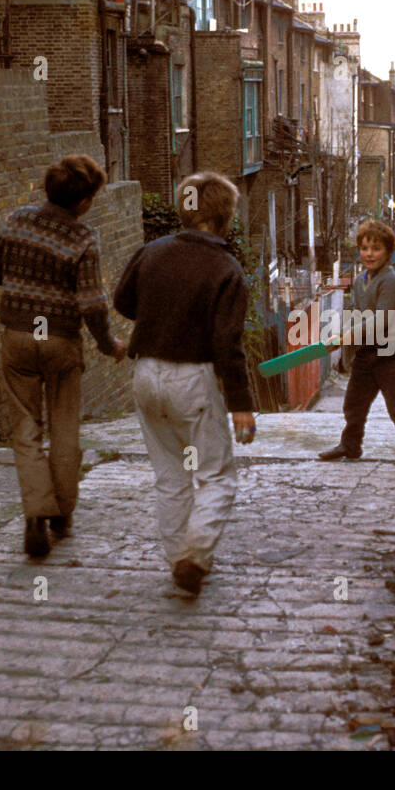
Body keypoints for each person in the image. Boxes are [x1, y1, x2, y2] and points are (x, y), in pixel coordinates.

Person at [0, 154, 126, 559]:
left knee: (25, 429)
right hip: (59, 341)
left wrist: (22, 283)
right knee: (64, 429)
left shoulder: (18, 220)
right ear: (83, 202)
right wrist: (108, 344)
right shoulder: (84, 238)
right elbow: (91, 302)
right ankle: (62, 513)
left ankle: (36, 516)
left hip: (18, 336)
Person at [113, 172, 255, 597]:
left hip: (145, 374)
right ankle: (194, 556)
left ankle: (179, 559)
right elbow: (228, 344)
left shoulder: (151, 252)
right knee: (215, 476)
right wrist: (241, 404)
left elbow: (123, 301)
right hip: (192, 380)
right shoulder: (226, 269)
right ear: (225, 216)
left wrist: (161, 313)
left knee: (171, 475)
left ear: (184, 211)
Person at [319, 219, 395, 470]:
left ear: (388, 252)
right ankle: (350, 445)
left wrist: (348, 336)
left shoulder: (390, 281)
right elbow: (357, 315)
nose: (369, 254)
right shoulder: (360, 281)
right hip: (366, 350)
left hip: (391, 350)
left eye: (376, 248)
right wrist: (339, 336)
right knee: (354, 403)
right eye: (364, 248)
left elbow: (380, 320)